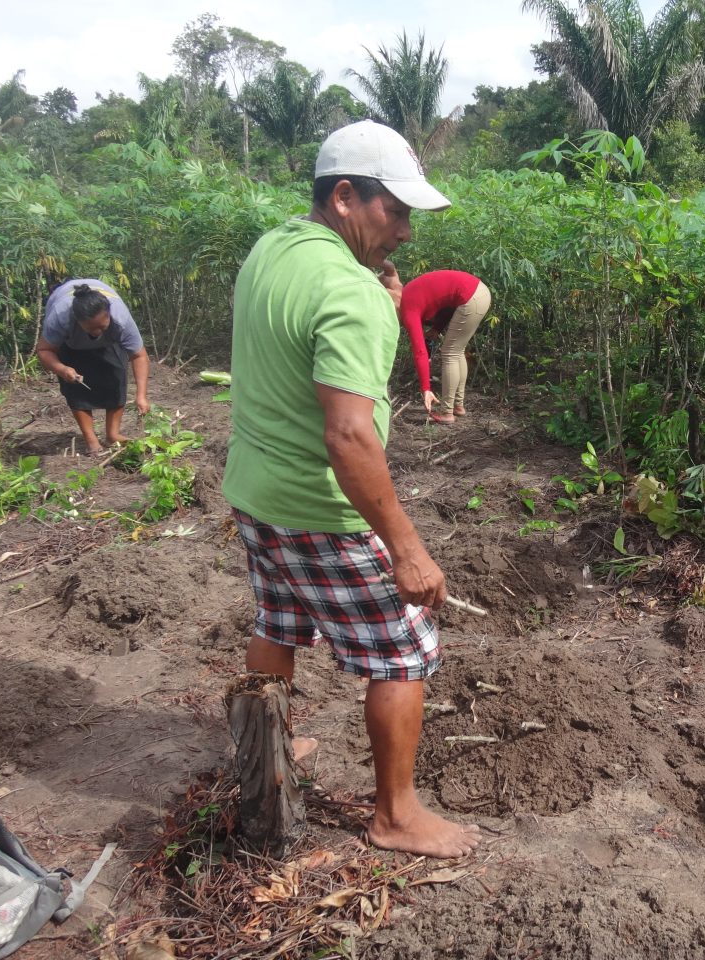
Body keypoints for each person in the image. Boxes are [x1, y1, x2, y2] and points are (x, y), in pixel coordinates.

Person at [222, 120, 479, 859]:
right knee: (403, 649)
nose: (403, 231)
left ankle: (265, 760)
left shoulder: (274, 247)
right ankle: (396, 814)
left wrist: (375, 296)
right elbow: (350, 436)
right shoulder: (350, 290)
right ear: (344, 197)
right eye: (393, 211)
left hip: (255, 488)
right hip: (317, 506)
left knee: (278, 622)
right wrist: (407, 547)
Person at [35, 279, 150, 454]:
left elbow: (139, 355)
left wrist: (141, 396)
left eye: (101, 327)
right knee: (76, 389)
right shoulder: (61, 316)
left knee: (116, 377)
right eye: (91, 328)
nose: (97, 333)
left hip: (110, 344)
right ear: (78, 320)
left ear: (109, 314)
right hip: (71, 345)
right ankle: (91, 441)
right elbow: (44, 350)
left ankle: (113, 435)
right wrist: (62, 369)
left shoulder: (121, 319)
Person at [397, 270, 492, 422]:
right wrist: (436, 329)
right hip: (479, 292)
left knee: (450, 353)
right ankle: (458, 406)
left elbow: (420, 352)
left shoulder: (407, 308)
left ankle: (447, 412)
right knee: (457, 351)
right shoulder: (408, 294)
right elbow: (447, 303)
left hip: (471, 295)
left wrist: (426, 388)